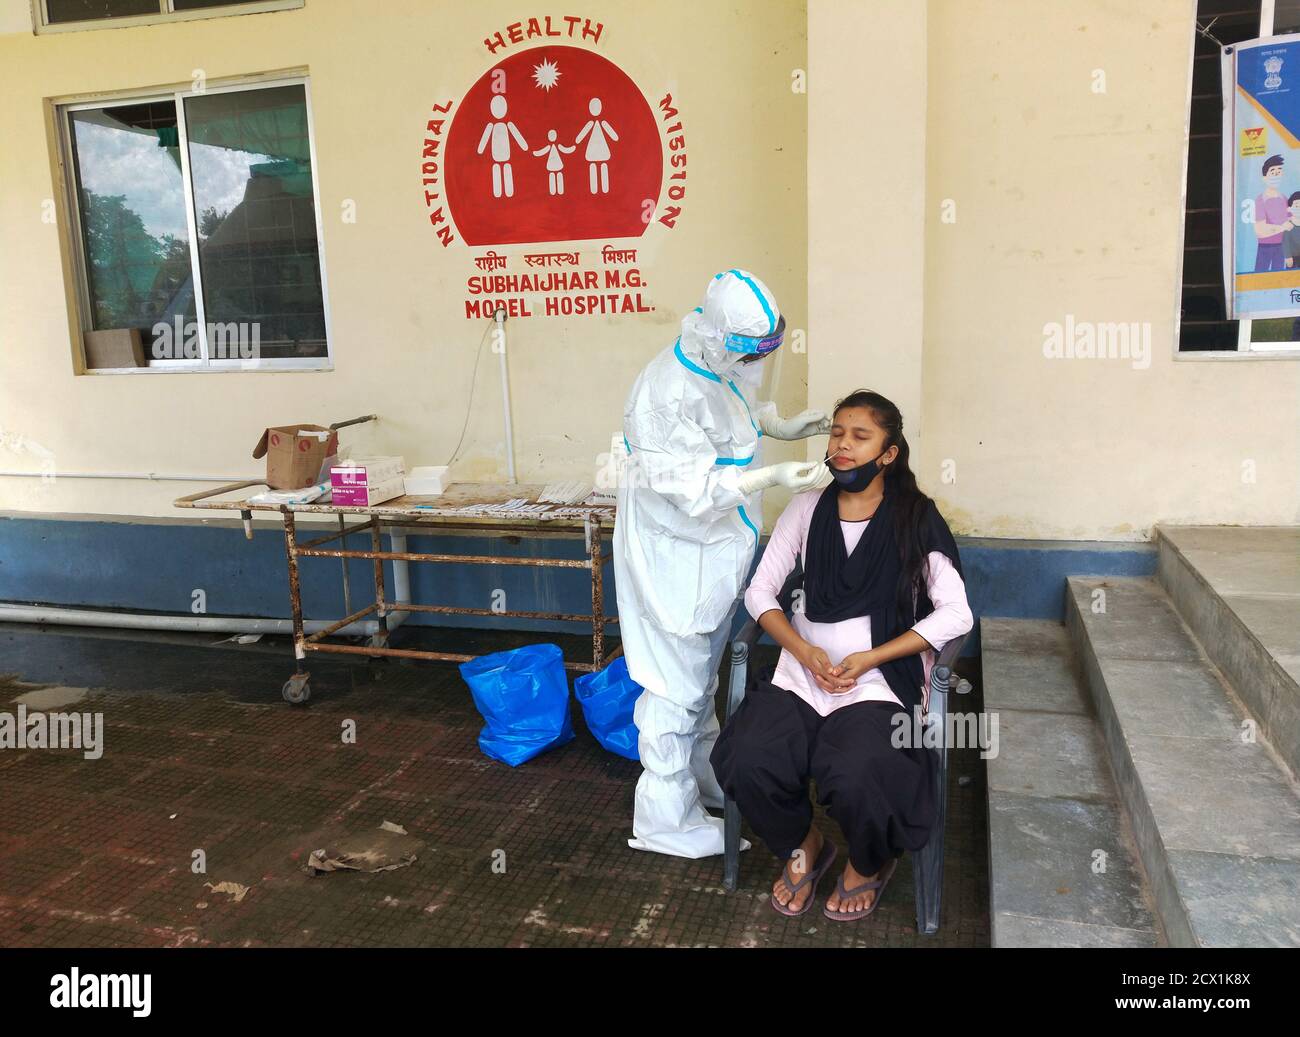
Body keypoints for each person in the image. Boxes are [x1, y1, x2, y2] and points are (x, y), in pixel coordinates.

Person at [711, 389, 973, 919]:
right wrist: (804, 650)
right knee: (747, 757)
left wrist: (872, 658)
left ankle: (869, 863)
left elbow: (956, 615)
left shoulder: (915, 518)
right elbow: (760, 593)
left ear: (889, 452)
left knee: (861, 771)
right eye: (837, 433)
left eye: (860, 436)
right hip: (802, 676)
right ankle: (805, 843)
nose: (844, 445)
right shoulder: (806, 509)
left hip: (878, 683)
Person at [614, 268, 834, 858]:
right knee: (674, 686)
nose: (756, 363)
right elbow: (691, 488)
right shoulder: (664, 391)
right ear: (721, 336)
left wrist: (781, 427)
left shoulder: (715, 361)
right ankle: (663, 815)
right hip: (674, 557)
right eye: (750, 351)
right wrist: (773, 476)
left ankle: (702, 773)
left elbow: (732, 412)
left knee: (702, 678)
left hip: (714, 551)